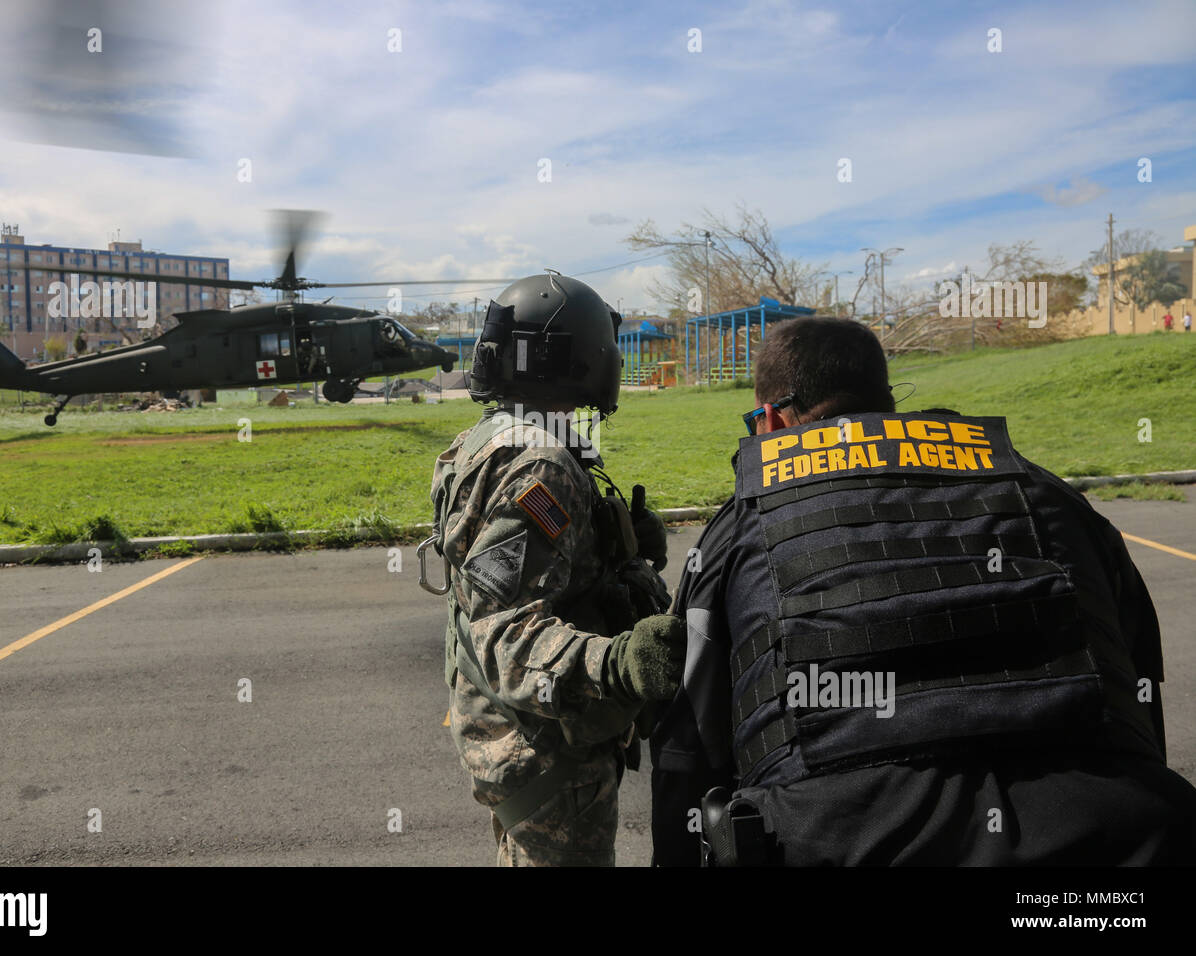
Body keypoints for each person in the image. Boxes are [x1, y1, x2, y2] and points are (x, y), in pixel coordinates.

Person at [649, 315, 1196, 865]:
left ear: (767, 419)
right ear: (886, 402)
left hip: (837, 837)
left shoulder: (738, 527)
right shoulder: (1048, 493)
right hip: (1115, 838)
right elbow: (1136, 688)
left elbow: (686, 747)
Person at [426, 272, 685, 866]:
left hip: (519, 740)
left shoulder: (489, 440)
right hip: (548, 752)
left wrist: (614, 546)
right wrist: (618, 666)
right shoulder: (541, 464)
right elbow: (508, 636)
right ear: (585, 358)